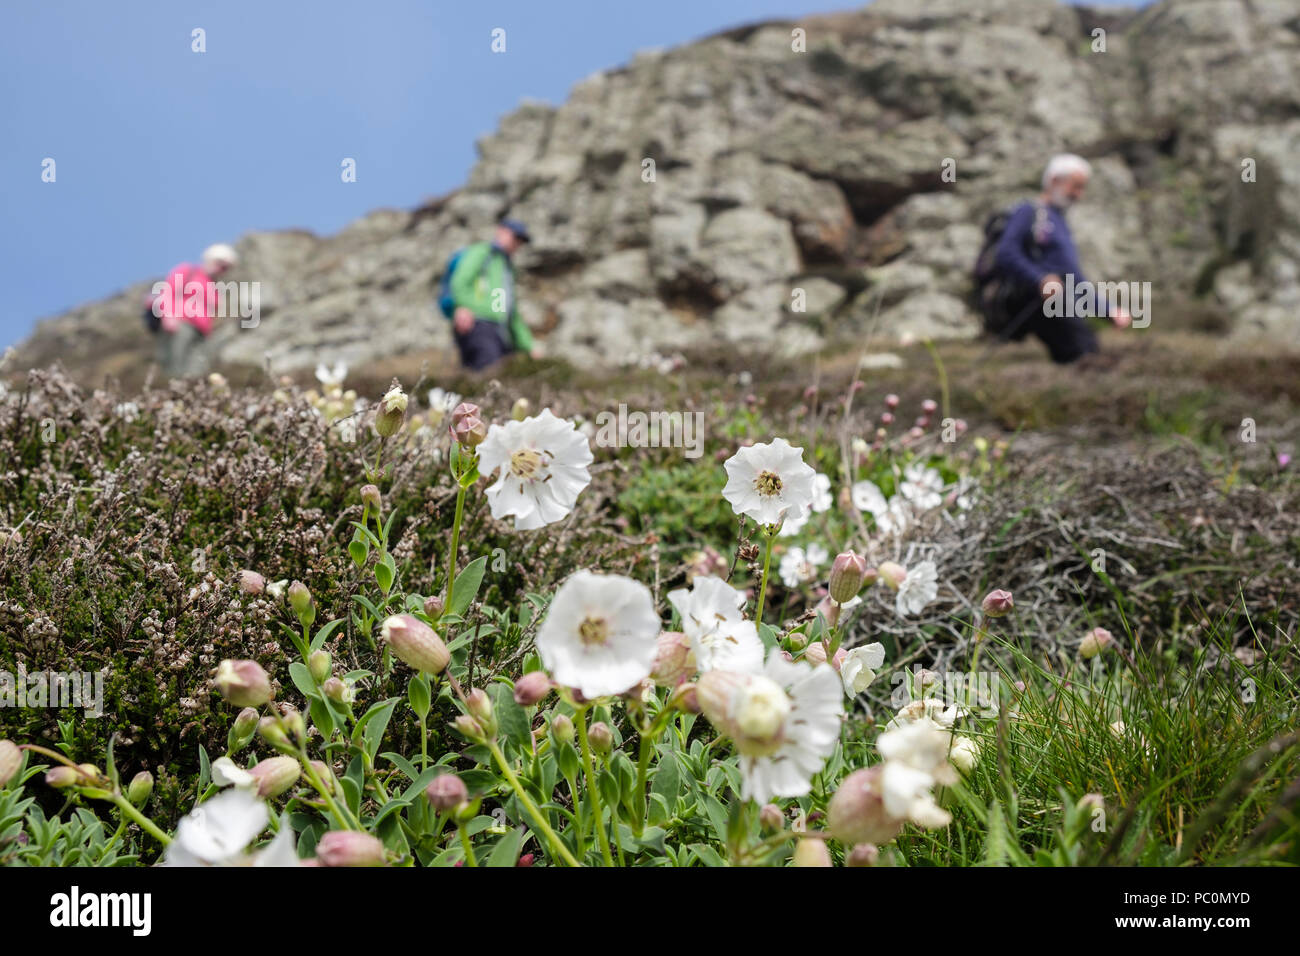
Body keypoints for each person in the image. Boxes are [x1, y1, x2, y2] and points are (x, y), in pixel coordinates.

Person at [984, 154, 1131, 364]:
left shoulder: (1059, 221)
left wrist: (1107, 310)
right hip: (1032, 300)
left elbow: (1073, 278)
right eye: (1075, 186)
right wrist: (1040, 280)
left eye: (1082, 188)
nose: (1079, 194)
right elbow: (1006, 253)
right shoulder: (1028, 211)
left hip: (1056, 302)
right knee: (1083, 352)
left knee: (1084, 349)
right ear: (1054, 181)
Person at [444, 219, 540, 370]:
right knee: (488, 373)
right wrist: (461, 306)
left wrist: (528, 345)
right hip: (477, 323)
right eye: (515, 237)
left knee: (493, 375)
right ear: (501, 231)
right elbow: (460, 280)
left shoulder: (505, 266)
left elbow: (509, 311)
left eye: (520, 241)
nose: (517, 243)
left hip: (498, 331)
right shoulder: (482, 252)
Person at [147, 243, 238, 377]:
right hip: (181, 324)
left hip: (202, 334)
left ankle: (188, 392)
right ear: (209, 259)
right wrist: (169, 316)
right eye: (219, 263)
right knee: (176, 362)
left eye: (225, 267)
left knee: (196, 368)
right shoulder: (188, 272)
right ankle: (172, 390)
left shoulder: (215, 288)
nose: (221, 269)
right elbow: (170, 292)